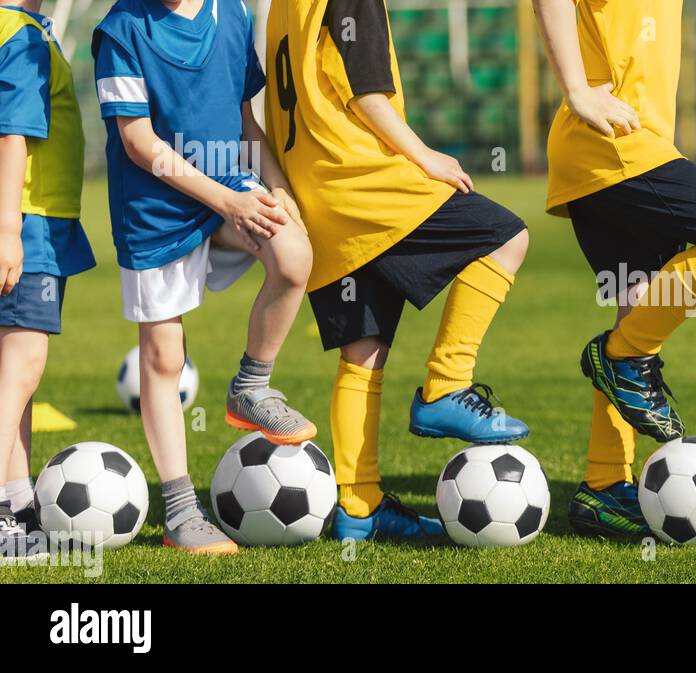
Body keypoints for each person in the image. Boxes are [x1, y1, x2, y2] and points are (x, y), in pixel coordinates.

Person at [264, 0, 531, 541]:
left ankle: (358, 508)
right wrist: (424, 154)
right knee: (507, 237)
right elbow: (367, 93)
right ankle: (446, 386)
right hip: (364, 183)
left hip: (317, 199)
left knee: (363, 349)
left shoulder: (281, 9)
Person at [533, 0, 696, 537]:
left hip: (629, 144)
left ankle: (603, 488)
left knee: (637, 302)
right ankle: (621, 359)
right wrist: (577, 89)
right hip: (612, 146)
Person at [94, 0, 316, 553]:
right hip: (155, 207)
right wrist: (227, 202)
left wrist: (275, 184)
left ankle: (250, 388)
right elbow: (138, 143)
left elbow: (245, 121)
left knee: (292, 257)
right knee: (165, 357)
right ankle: (180, 513)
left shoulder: (233, 12)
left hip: (228, 186)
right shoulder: (121, 29)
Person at [0, 0, 96, 562]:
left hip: (32, 221)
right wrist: (9, 228)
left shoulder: (25, 26)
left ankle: (16, 507)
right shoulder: (21, 35)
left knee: (16, 375)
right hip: (28, 222)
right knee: (21, 371)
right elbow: (12, 132)